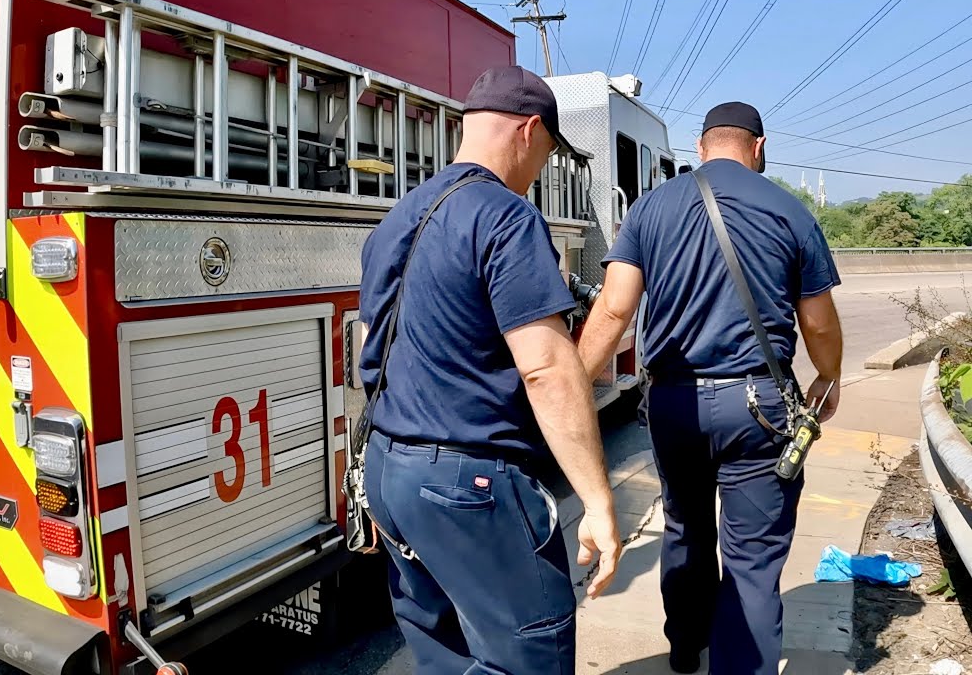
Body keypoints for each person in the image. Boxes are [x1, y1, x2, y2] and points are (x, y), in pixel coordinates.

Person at [358, 65, 622, 675]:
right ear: (530, 130)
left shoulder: (396, 220)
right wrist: (598, 501)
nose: (537, 176)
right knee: (529, 653)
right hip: (469, 485)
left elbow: (370, 349)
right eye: (547, 156)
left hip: (391, 471)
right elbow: (547, 369)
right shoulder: (505, 218)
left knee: (444, 653)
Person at [577, 102, 844, 674]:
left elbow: (613, 309)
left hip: (675, 403)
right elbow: (818, 321)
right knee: (752, 558)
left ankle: (684, 646)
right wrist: (828, 376)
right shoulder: (789, 211)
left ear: (700, 148)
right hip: (760, 408)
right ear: (760, 145)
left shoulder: (650, 209)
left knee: (685, 525)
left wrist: (570, 389)